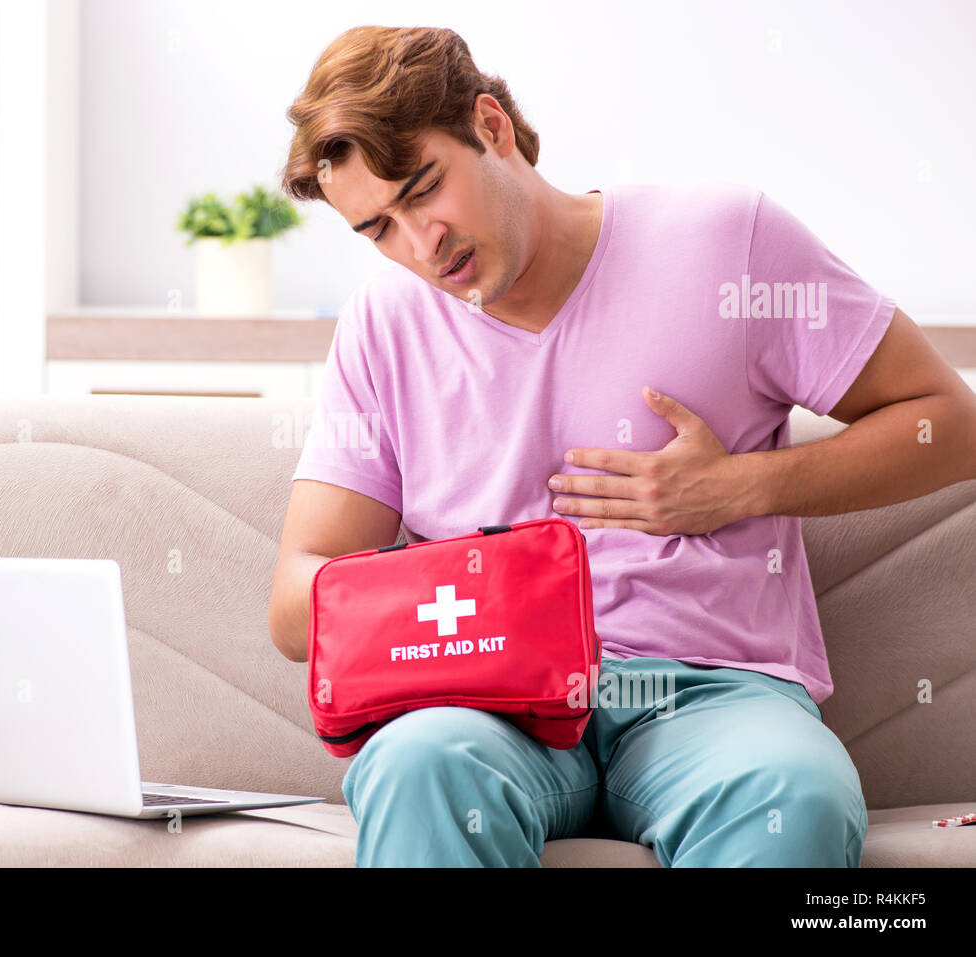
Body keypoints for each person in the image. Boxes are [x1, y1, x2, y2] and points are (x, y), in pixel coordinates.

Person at [268, 25, 976, 867]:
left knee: (796, 790)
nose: (421, 245)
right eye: (378, 228)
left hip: (710, 696)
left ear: (490, 127)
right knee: (416, 763)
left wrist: (740, 487)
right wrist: (473, 599)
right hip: (487, 710)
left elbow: (950, 424)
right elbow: (294, 601)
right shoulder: (384, 326)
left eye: (423, 190)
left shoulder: (728, 241)